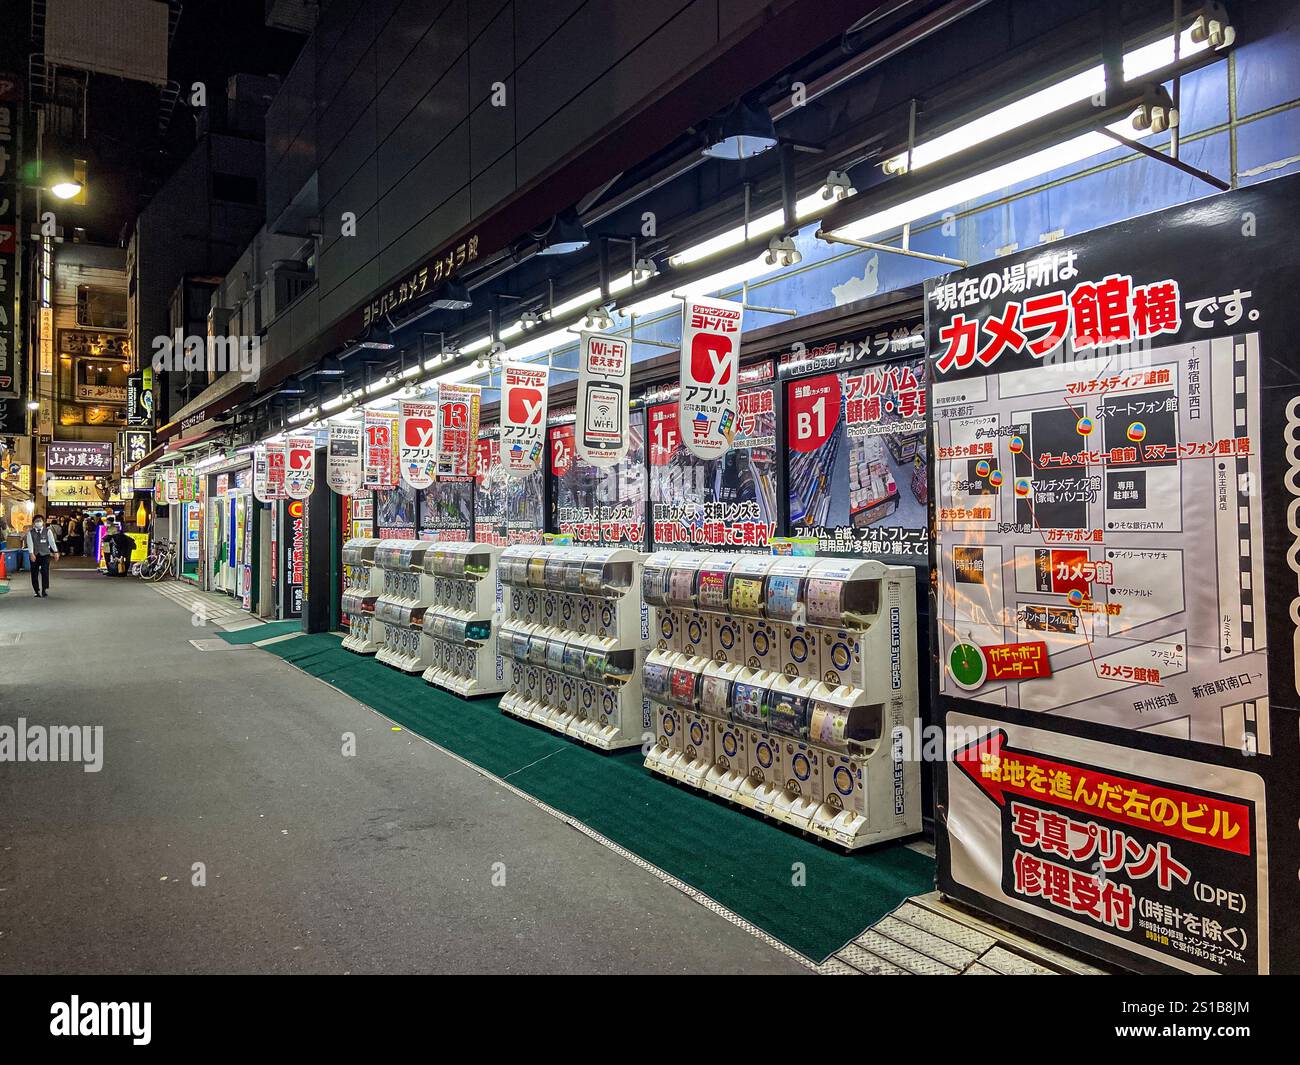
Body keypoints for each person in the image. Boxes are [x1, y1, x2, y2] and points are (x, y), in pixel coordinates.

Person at [24, 515, 60, 597]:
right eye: (36, 521)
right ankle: (36, 590)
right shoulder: (30, 533)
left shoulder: (48, 531)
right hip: (35, 555)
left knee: (45, 571)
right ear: (33, 523)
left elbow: (52, 542)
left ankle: (44, 589)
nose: (38, 522)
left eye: (40, 521)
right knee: (34, 573)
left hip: (45, 554)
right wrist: (31, 553)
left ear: (43, 522)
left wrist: (55, 552)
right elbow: (30, 543)